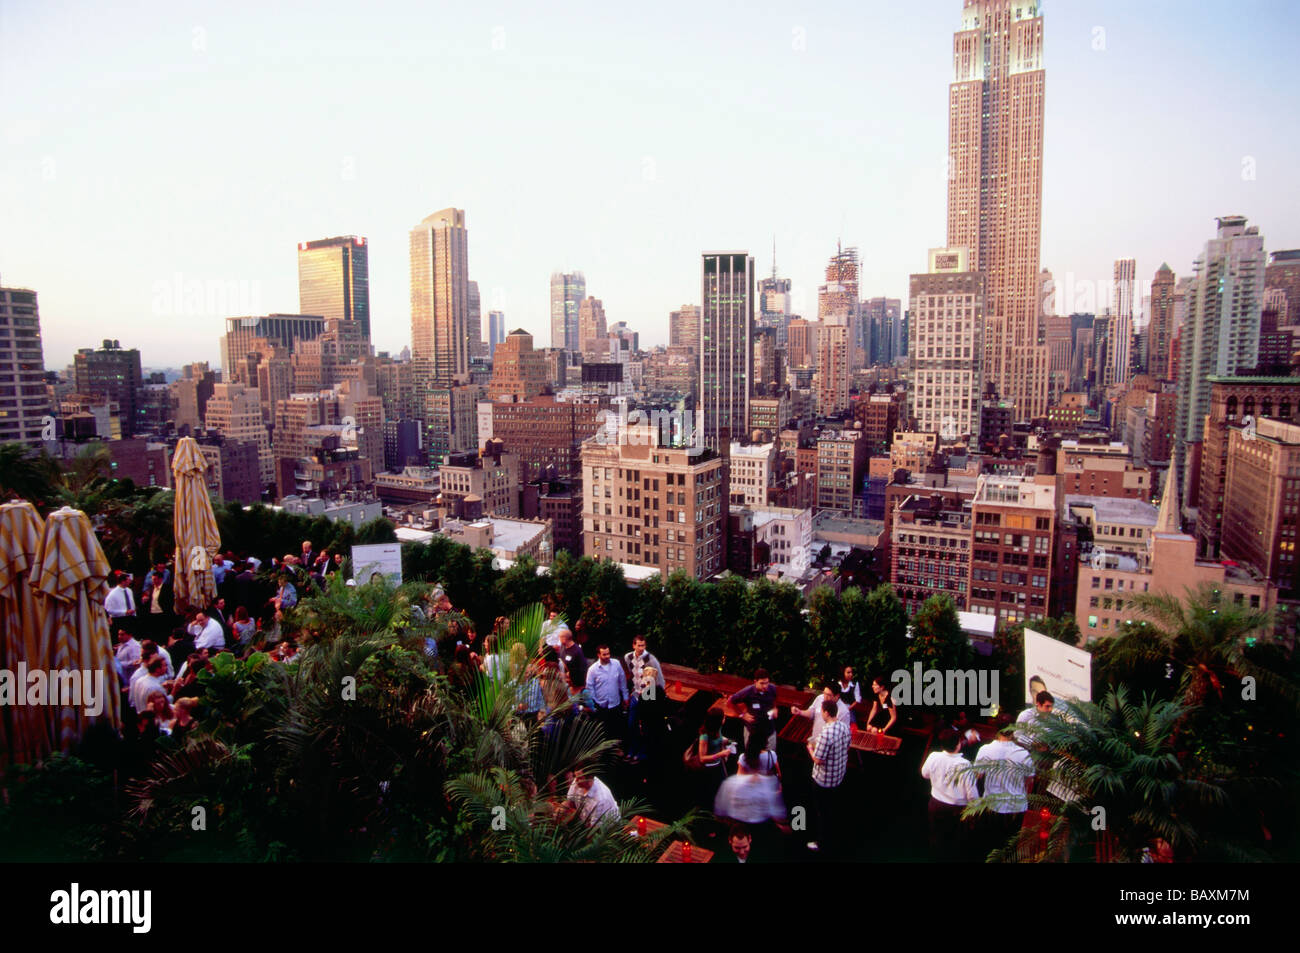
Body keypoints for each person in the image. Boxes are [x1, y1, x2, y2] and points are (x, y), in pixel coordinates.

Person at [973, 723, 1035, 859]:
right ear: (1013, 731)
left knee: (991, 846)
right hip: (1016, 807)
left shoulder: (985, 749)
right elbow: (1030, 780)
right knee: (1010, 848)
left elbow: (977, 775)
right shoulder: (1023, 753)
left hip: (992, 805)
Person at [921, 728, 979, 862]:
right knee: (954, 841)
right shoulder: (965, 765)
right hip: (956, 810)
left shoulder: (934, 756)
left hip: (935, 804)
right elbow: (972, 794)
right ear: (959, 744)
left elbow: (925, 774)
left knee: (936, 837)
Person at [807, 698, 851, 855]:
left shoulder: (826, 733)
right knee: (832, 808)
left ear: (826, 713)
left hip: (823, 781)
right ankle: (834, 833)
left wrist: (810, 749)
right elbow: (846, 747)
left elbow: (818, 760)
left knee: (822, 811)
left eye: (821, 712)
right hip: (838, 777)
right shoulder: (844, 727)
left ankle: (821, 843)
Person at [586, 643, 629, 743]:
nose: (607, 656)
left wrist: (626, 697)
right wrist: (596, 702)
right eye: (604, 654)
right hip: (602, 706)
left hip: (615, 704)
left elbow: (622, 681)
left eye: (608, 654)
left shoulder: (616, 664)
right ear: (598, 655)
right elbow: (590, 688)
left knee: (617, 731)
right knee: (604, 733)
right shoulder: (592, 670)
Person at [730, 668, 779, 751]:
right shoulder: (747, 692)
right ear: (755, 682)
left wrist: (775, 708)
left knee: (770, 756)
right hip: (752, 731)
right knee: (751, 757)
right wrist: (742, 715)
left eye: (767, 683)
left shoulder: (772, 688)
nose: (765, 686)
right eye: (762, 683)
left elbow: (775, 699)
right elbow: (731, 701)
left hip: (769, 730)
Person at [790, 682, 852, 746]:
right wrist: (799, 712)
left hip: (829, 746)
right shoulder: (820, 698)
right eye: (824, 693)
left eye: (828, 695)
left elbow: (844, 735)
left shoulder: (843, 711)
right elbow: (811, 712)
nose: (825, 697)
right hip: (814, 741)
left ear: (837, 696)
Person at [695, 709, 733, 808]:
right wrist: (721, 754)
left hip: (719, 765)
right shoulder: (704, 736)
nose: (725, 718)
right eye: (723, 717)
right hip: (709, 769)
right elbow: (702, 758)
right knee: (712, 792)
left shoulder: (718, 728)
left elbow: (718, 738)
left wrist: (725, 741)